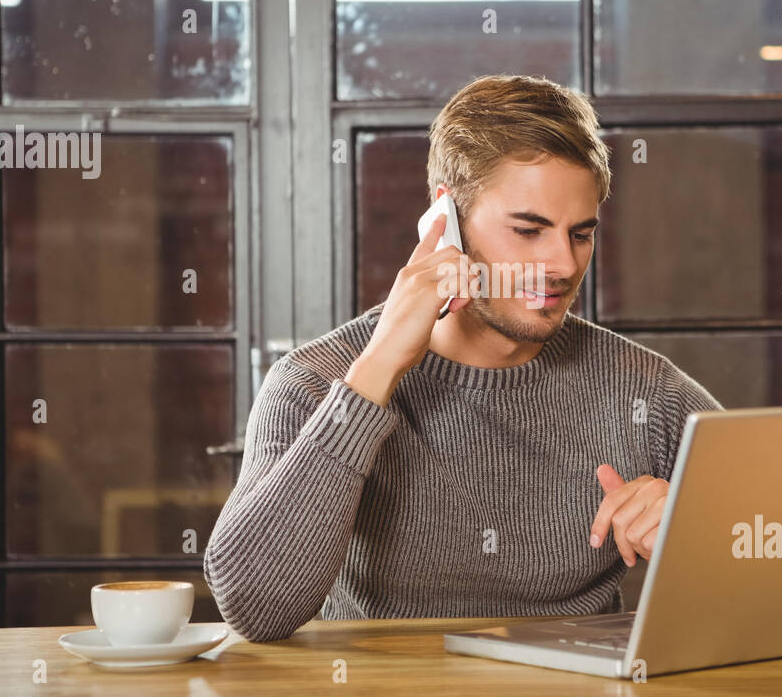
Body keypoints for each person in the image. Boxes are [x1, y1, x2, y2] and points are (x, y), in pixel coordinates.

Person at [204, 74, 723, 642]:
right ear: (445, 219)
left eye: (580, 234)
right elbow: (253, 609)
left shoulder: (648, 393)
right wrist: (374, 376)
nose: (563, 265)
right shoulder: (311, 383)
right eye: (529, 230)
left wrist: (702, 532)